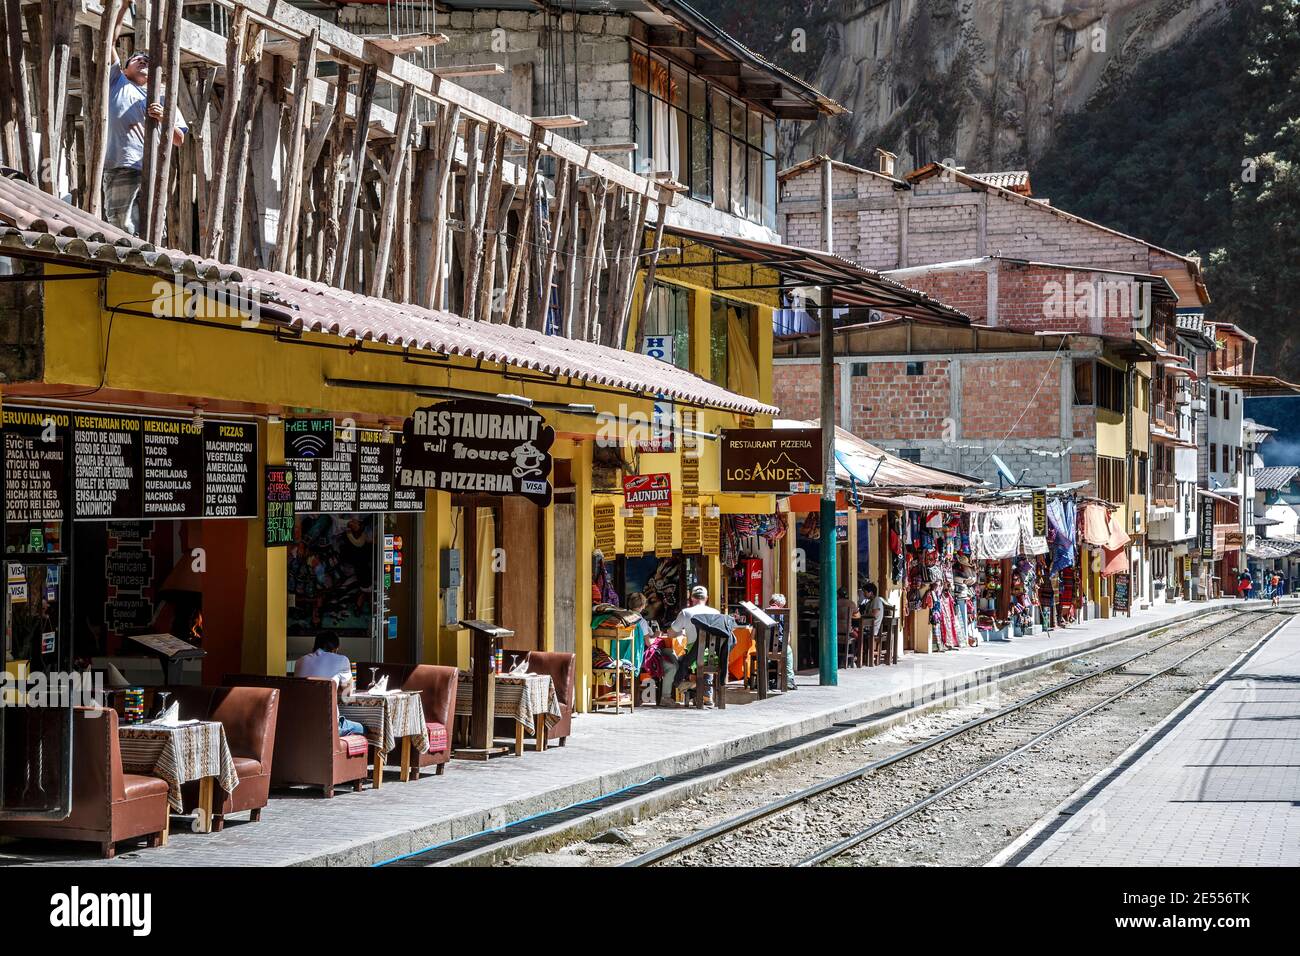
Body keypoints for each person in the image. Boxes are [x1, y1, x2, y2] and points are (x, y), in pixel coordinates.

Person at [104, 2, 188, 235]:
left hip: (150, 168)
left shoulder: (161, 98)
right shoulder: (117, 82)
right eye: (137, 59)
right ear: (126, 67)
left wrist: (164, 119)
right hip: (120, 164)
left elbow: (179, 139)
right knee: (121, 226)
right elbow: (109, 40)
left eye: (147, 61)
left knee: (151, 228)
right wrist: (122, 7)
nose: (143, 61)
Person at [295, 634, 364, 737]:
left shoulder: (300, 661)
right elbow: (347, 694)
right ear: (336, 648)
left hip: (301, 725)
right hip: (329, 726)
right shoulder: (342, 660)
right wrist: (337, 688)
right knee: (365, 729)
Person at [664, 585, 721, 701]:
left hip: (693, 657)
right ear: (706, 598)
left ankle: (688, 685)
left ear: (692, 598)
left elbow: (671, 634)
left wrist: (681, 632)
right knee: (707, 656)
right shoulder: (716, 613)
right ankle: (706, 695)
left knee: (676, 659)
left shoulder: (686, 613)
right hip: (715, 656)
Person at [767, 593, 796, 690]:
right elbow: (787, 637)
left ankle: (767, 678)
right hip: (779, 646)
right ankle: (789, 680)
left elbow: (753, 636)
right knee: (788, 651)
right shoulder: (783, 614)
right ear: (779, 604)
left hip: (763, 647)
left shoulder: (762, 612)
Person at [861, 583, 886, 662]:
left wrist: (863, 615)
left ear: (871, 592)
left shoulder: (877, 600)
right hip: (868, 626)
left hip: (873, 629)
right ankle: (860, 656)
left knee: (856, 634)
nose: (864, 594)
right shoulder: (870, 602)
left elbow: (873, 614)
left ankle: (859, 656)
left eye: (865, 592)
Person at [837, 587, 861, 665]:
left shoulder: (834, 603)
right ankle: (852, 659)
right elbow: (858, 616)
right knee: (858, 636)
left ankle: (840, 659)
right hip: (847, 631)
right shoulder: (851, 603)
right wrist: (849, 616)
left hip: (834, 632)